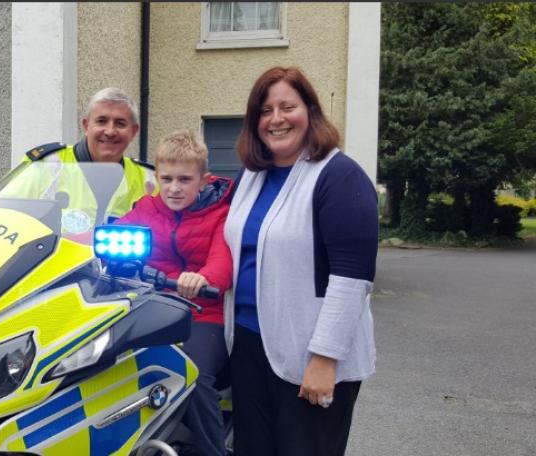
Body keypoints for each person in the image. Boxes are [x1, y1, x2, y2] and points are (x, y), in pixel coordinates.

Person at [223, 66, 378, 456]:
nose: (276, 119)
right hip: (249, 343)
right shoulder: (251, 178)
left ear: (310, 111)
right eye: (265, 110)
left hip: (310, 351)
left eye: (287, 106)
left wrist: (325, 358)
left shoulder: (339, 177)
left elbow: (352, 277)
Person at [116, 130, 233, 456]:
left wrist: (202, 278)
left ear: (203, 180)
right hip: (149, 308)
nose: (174, 188)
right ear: (156, 178)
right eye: (166, 179)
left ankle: (213, 451)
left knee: (191, 373)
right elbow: (109, 238)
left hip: (204, 312)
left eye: (185, 179)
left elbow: (222, 265)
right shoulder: (146, 210)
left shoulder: (220, 215)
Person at [17, 87, 156, 228]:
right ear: (86, 125)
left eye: (120, 123)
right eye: (102, 121)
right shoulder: (46, 164)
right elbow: (3, 214)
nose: (110, 131)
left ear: (133, 131)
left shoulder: (150, 179)